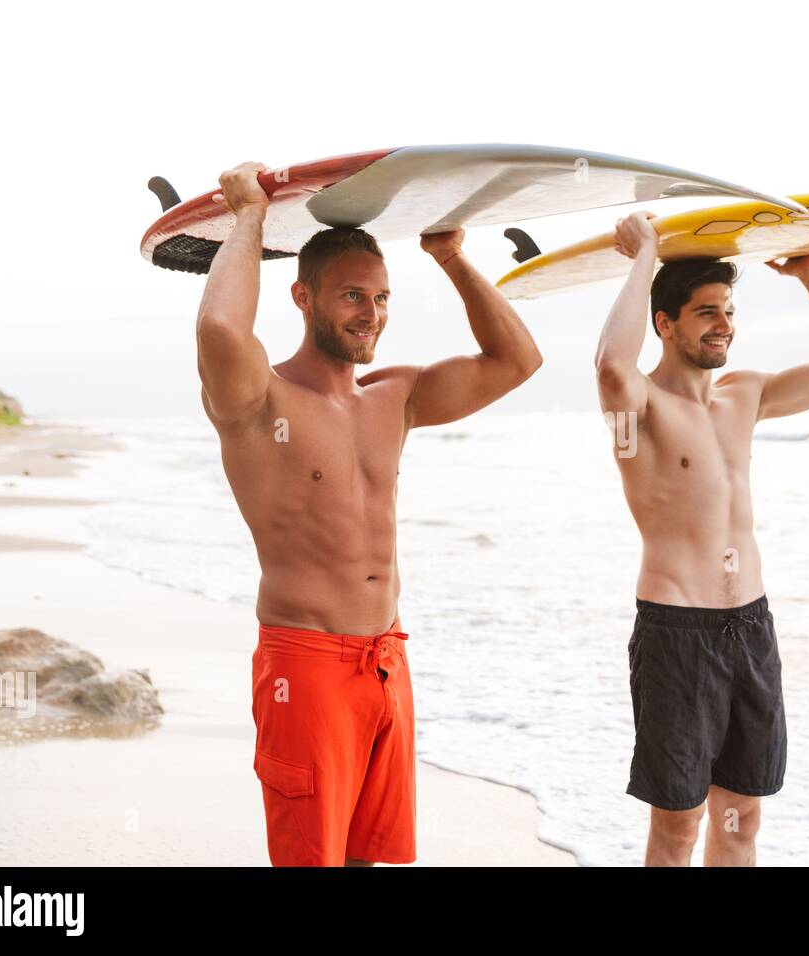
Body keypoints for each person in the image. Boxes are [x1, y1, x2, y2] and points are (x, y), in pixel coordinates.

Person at [196, 162, 542, 866]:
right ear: (302, 296)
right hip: (308, 663)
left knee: (367, 858)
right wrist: (249, 217)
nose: (371, 314)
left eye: (381, 298)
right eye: (352, 295)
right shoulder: (260, 402)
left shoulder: (397, 397)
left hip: (387, 659)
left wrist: (451, 256)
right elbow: (222, 332)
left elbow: (517, 359)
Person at [595, 211, 809, 866]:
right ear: (665, 324)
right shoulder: (638, 406)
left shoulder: (743, 394)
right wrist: (646, 258)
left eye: (727, 310)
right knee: (678, 827)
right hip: (678, 632)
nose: (723, 324)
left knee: (742, 819)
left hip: (750, 628)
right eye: (705, 312)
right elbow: (611, 363)